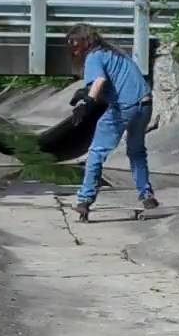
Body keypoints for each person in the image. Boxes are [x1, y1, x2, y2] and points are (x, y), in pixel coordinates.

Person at [66, 23, 158, 221]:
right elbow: (115, 80)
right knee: (136, 151)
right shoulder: (115, 53)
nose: (71, 46)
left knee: (96, 151)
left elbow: (99, 81)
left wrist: (86, 104)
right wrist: (84, 93)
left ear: (85, 40)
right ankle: (147, 195)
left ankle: (84, 201)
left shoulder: (93, 56)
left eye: (74, 41)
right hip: (145, 103)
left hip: (124, 107)